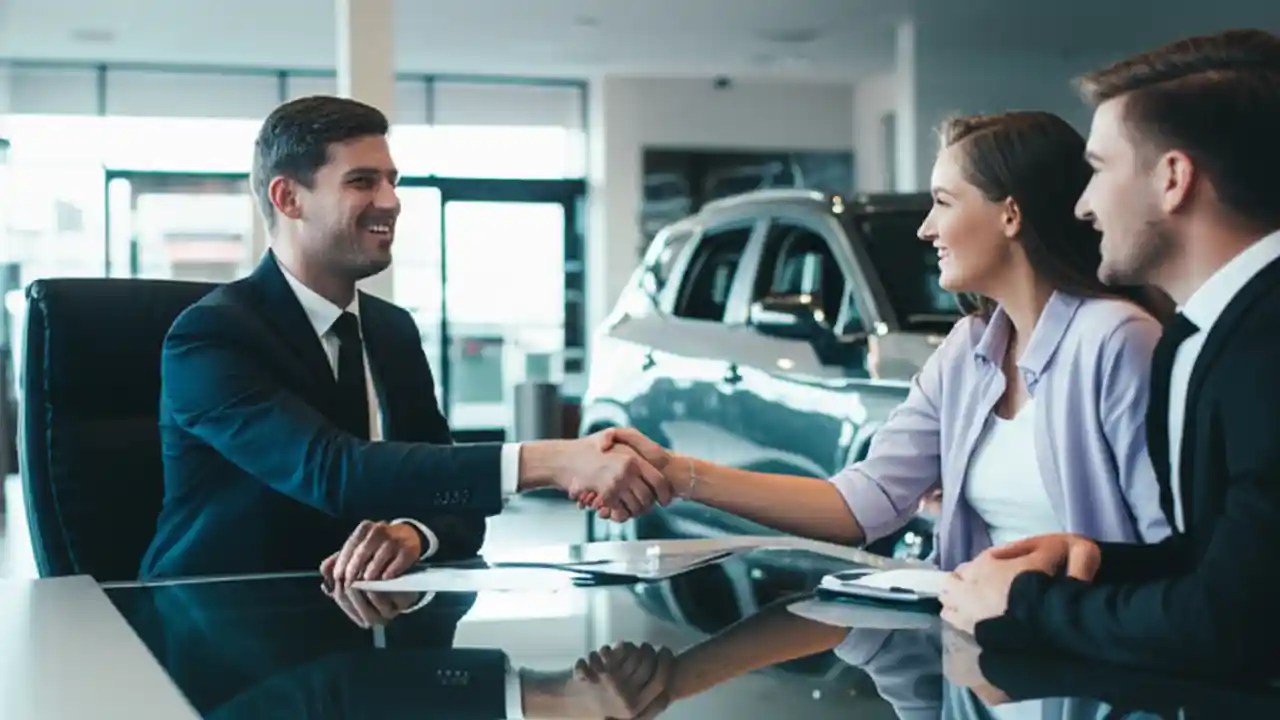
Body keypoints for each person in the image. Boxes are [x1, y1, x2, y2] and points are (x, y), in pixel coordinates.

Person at [586, 111, 1169, 570]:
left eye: (943, 202)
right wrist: (678, 470)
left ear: (1010, 214)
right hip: (986, 659)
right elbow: (860, 504)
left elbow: (1167, 551)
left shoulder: (1115, 340)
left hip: (1089, 667)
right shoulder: (969, 349)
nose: (926, 227)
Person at [140, 95, 673, 581]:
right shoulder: (210, 337)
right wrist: (553, 462)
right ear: (288, 197)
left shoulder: (390, 330)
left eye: (392, 180)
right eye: (362, 181)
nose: (392, 201)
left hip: (365, 628)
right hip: (225, 631)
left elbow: (455, 498)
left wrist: (415, 534)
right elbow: (334, 471)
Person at [939, 29, 1280, 676]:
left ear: (1173, 179)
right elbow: (1224, 567)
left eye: (1097, 170)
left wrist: (1028, 606)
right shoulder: (1208, 334)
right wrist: (1089, 560)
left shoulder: (1267, 346)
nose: (1081, 206)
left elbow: (1236, 624)